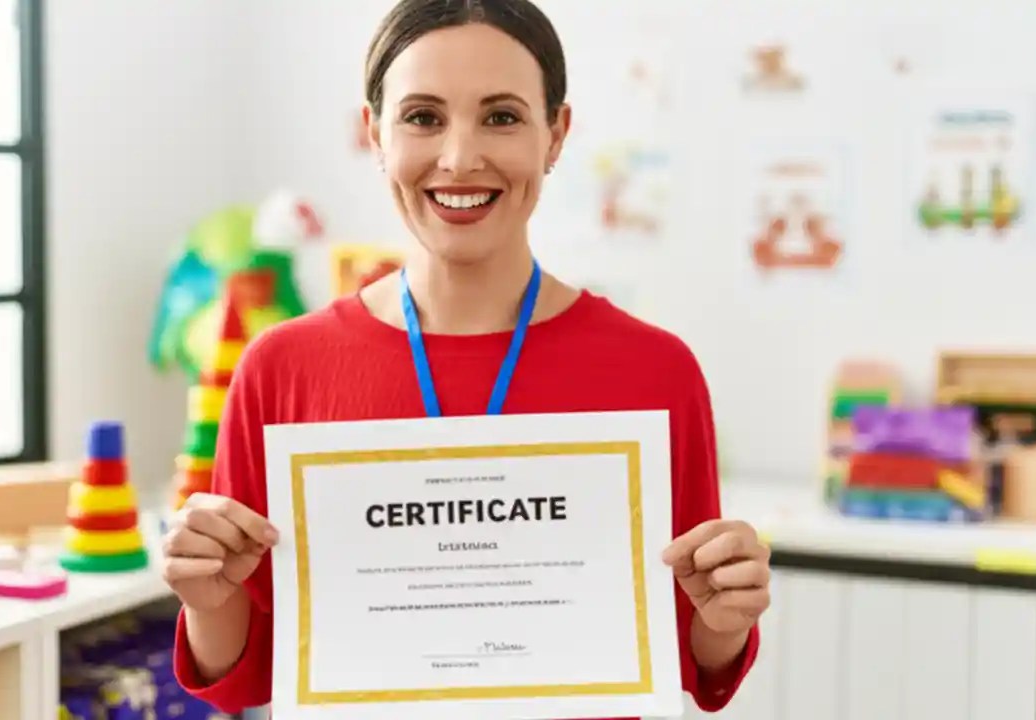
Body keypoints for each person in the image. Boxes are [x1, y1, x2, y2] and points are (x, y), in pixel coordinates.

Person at [162, 0, 772, 716]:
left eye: (502, 116)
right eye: (422, 117)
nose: (458, 157)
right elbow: (245, 676)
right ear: (375, 134)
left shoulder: (655, 372)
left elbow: (691, 663)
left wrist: (726, 620)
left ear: (556, 134)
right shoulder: (279, 370)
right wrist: (208, 600)